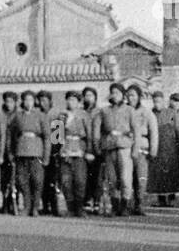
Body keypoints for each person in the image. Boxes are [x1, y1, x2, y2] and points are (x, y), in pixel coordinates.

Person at [94, 84, 135, 217]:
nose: (114, 95)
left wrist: (135, 149)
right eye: (112, 92)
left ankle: (125, 206)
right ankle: (114, 205)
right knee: (112, 179)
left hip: (124, 147)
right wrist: (97, 147)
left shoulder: (129, 110)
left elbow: (136, 131)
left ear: (123, 95)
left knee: (125, 179)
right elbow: (96, 131)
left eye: (117, 93)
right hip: (109, 147)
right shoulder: (104, 111)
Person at [10, 90, 50, 216]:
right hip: (21, 152)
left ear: (35, 102)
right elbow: (12, 136)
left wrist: (46, 156)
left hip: (36, 151)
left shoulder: (41, 116)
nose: (28, 102)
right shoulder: (17, 116)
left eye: (31, 100)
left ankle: (35, 207)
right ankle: (27, 206)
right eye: (26, 100)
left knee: (37, 181)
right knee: (22, 181)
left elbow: (47, 137)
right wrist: (11, 152)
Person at [57, 90, 91, 217]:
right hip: (65, 151)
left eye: (73, 100)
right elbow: (56, 137)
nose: (70, 102)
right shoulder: (60, 116)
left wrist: (89, 151)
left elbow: (90, 135)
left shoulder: (84, 115)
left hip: (80, 151)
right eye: (68, 99)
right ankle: (70, 207)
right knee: (66, 181)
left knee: (80, 181)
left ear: (78, 102)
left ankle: (80, 207)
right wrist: (58, 151)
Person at [126, 85, 158, 216]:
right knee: (127, 178)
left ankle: (139, 204)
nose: (130, 98)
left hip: (142, 148)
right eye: (128, 95)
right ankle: (126, 204)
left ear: (139, 96)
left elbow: (153, 132)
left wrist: (153, 150)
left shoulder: (146, 112)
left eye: (133, 95)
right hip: (126, 147)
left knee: (140, 178)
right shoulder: (125, 111)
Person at [149, 90, 179, 207]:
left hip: (170, 147)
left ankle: (171, 198)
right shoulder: (151, 113)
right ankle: (161, 199)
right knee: (158, 175)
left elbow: (178, 131)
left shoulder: (171, 113)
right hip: (157, 147)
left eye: (159, 101)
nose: (157, 103)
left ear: (163, 101)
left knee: (171, 173)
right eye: (155, 101)